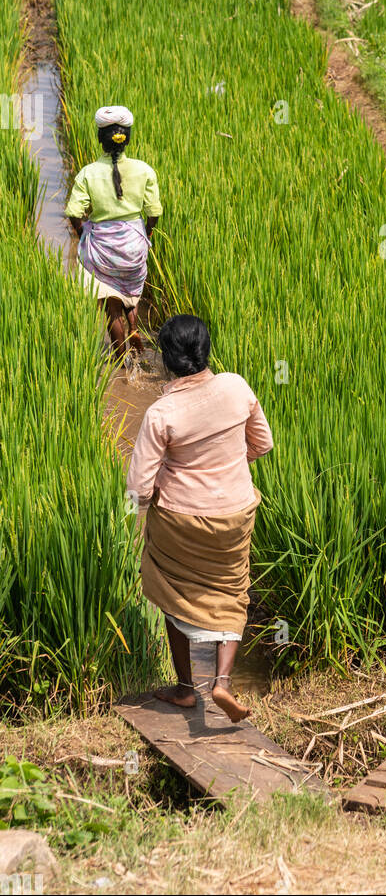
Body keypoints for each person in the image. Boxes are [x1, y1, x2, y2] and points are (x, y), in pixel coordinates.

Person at [127, 315, 274, 724]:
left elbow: (138, 489)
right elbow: (262, 443)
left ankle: (186, 689)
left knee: (172, 591)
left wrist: (178, 479)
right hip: (235, 513)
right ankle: (222, 682)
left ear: (167, 361)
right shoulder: (236, 386)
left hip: (181, 522)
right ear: (205, 350)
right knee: (231, 590)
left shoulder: (162, 412)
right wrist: (223, 466)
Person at [65, 105, 161, 361]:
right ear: (127, 137)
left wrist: (83, 232)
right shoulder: (145, 170)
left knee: (111, 304)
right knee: (130, 287)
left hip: (103, 248)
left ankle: (122, 363)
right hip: (134, 243)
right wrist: (146, 236)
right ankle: (134, 327)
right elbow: (153, 212)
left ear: (100, 138)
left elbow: (74, 212)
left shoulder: (88, 173)